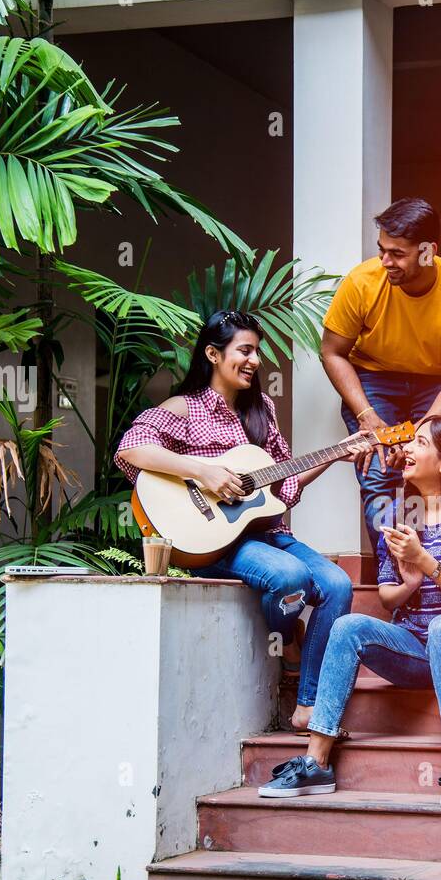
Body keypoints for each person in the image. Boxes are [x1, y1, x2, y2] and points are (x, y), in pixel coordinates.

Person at [115, 310, 370, 736]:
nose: (254, 360)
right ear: (214, 354)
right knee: (291, 578)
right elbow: (132, 449)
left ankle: (308, 705)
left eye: (257, 351)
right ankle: (287, 635)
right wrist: (202, 471)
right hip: (213, 540)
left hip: (266, 533)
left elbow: (283, 489)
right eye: (244, 350)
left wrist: (334, 454)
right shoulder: (185, 408)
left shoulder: (262, 410)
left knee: (339, 585)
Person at [258, 417, 441, 810]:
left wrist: (425, 561)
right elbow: (388, 597)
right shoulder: (398, 514)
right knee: (346, 626)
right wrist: (410, 583)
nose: (406, 449)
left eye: (420, 443)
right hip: (417, 649)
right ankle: (316, 760)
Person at [321, 196, 441, 553]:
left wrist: (419, 435)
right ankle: (396, 575)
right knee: (381, 474)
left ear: (428, 252)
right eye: (382, 250)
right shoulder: (362, 282)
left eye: (397, 253)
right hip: (373, 380)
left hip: (439, 385)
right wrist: (367, 416)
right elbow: (332, 353)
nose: (385, 262)